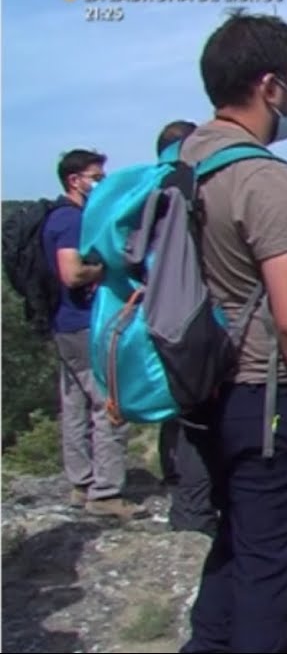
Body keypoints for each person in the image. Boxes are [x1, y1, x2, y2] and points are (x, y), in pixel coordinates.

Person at [179, 10, 287, 653]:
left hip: (205, 390)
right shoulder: (263, 177)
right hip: (265, 397)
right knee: (271, 575)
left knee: (239, 548)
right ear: (271, 86)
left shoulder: (187, 159)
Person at [43, 148, 146, 520]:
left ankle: (82, 482)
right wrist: (104, 270)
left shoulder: (57, 217)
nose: (101, 182)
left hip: (65, 324)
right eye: (95, 176)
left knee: (74, 404)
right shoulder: (70, 221)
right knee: (108, 402)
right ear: (75, 180)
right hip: (84, 324)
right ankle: (105, 493)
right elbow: (71, 274)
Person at [151, 119, 219, 538]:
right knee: (199, 413)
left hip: (150, 317)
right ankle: (194, 516)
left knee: (176, 410)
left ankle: (176, 487)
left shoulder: (146, 186)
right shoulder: (187, 183)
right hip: (191, 316)